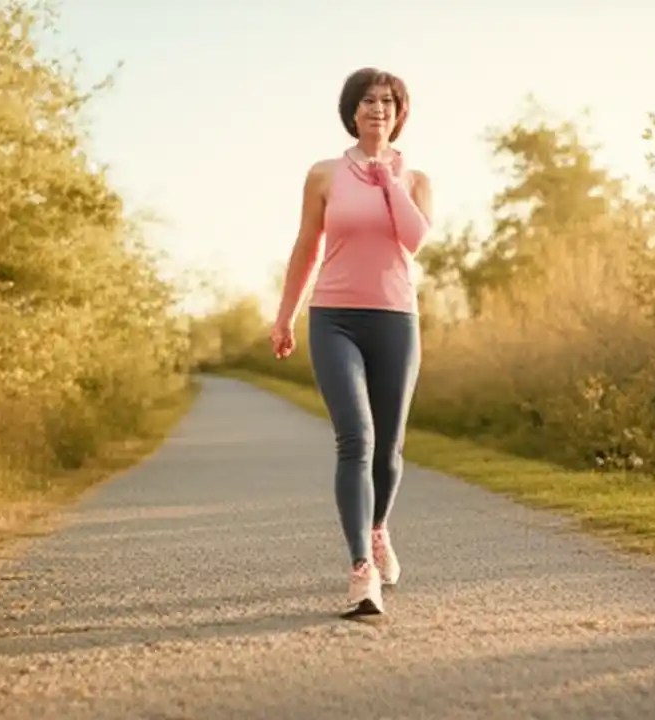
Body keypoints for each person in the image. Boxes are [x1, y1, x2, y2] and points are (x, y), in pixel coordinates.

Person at [269, 67, 433, 618]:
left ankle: (379, 526)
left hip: (395, 320)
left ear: (399, 114)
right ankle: (362, 571)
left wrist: (387, 177)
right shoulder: (322, 175)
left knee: (389, 449)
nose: (377, 110)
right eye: (367, 101)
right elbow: (306, 247)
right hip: (334, 316)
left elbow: (414, 240)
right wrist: (286, 315)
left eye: (388, 102)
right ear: (351, 111)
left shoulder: (415, 181)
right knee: (355, 439)